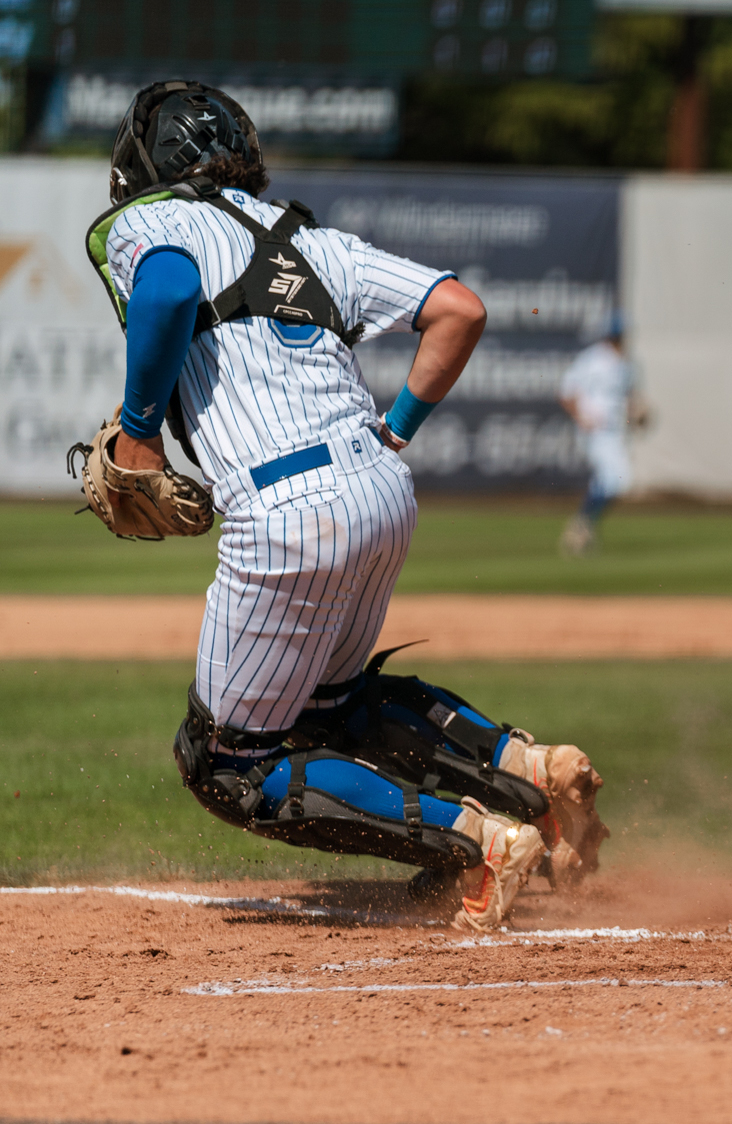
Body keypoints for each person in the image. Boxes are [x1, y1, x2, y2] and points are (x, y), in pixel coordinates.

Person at [84, 80, 606, 930]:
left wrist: (141, 428)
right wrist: (395, 432)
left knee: (231, 762)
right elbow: (459, 311)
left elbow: (171, 292)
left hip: (286, 514)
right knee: (338, 709)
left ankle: (477, 841)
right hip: (378, 489)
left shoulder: (156, 221)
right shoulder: (310, 240)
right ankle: (532, 777)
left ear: (145, 166)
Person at [558, 313, 646, 556]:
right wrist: (580, 416)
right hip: (596, 429)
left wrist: (637, 416)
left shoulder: (628, 365)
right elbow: (566, 392)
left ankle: (583, 526)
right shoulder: (592, 359)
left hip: (616, 431)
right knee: (619, 479)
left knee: (610, 481)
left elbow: (632, 401)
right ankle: (581, 525)